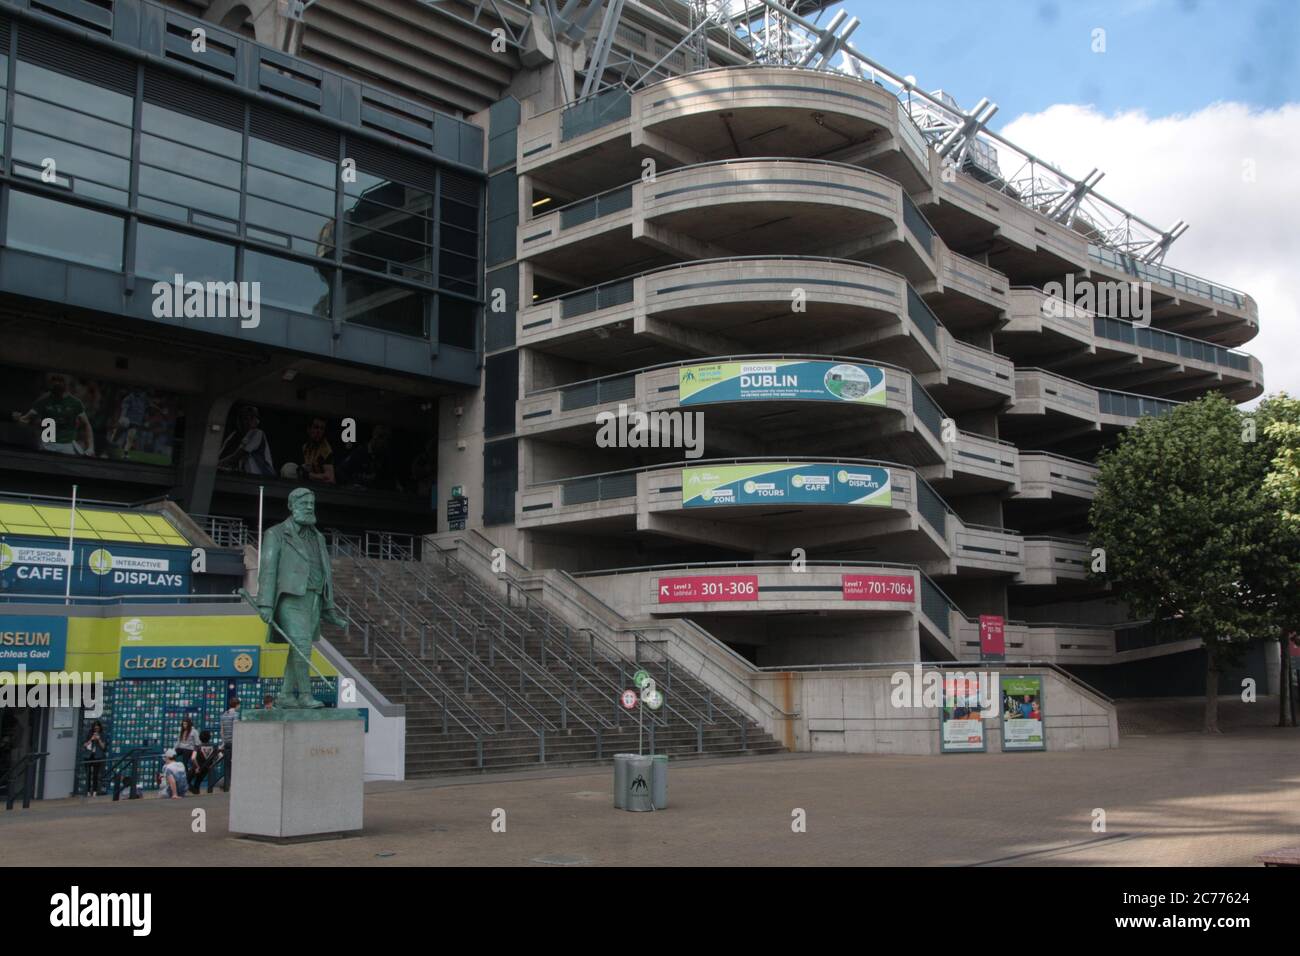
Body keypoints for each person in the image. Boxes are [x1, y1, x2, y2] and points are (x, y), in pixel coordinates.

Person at [11, 372, 94, 456]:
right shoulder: (43, 401)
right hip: (47, 446)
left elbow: (86, 425)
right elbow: (25, 420)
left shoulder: (75, 403)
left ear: (67, 383)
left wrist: (90, 447)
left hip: (67, 446)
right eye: (54, 380)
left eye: (60, 380)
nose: (57, 383)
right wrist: (18, 419)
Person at [218, 405, 274, 476]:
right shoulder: (235, 435)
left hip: (262, 478)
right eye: (244, 418)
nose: (247, 422)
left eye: (251, 418)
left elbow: (237, 456)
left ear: (257, 421)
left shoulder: (257, 433)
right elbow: (223, 452)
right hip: (247, 478)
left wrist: (216, 464)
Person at [299, 417, 335, 484]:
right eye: (316, 427)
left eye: (322, 429)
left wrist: (308, 475)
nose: (319, 431)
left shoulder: (326, 450)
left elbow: (330, 478)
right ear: (309, 429)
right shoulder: (305, 447)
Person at [218, 697, 240, 792]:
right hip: (234, 743)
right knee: (236, 765)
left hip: (226, 743)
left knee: (227, 766)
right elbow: (237, 729)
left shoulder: (223, 715)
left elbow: (221, 731)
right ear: (237, 705)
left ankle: (226, 787)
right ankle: (235, 786)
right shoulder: (236, 715)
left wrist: (225, 740)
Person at [190, 730, 220, 795]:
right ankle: (196, 792)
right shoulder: (214, 747)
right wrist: (212, 764)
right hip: (206, 768)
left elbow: (193, 758)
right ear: (209, 737)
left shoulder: (197, 747)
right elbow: (219, 757)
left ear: (200, 738)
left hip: (197, 768)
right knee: (198, 782)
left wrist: (197, 767)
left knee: (187, 781)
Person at [82, 720, 107, 796]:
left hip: (97, 756)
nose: (96, 729)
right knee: (88, 774)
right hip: (89, 756)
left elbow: (103, 747)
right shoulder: (88, 734)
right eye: (95, 728)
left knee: (96, 774)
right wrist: (91, 739)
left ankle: (95, 792)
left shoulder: (102, 735)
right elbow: (85, 745)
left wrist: (99, 739)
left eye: (97, 727)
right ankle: (88, 791)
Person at [174, 717, 199, 789]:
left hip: (189, 748)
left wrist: (195, 750)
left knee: (185, 761)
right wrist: (173, 750)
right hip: (181, 747)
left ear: (189, 724)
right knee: (172, 755)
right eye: (183, 724)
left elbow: (197, 742)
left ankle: (186, 778)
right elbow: (178, 741)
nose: (184, 726)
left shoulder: (194, 731)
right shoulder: (181, 731)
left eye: (186, 724)